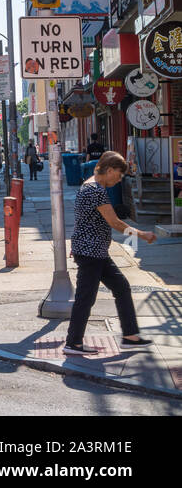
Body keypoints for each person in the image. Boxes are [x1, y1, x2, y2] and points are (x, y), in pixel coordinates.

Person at [63, 151, 156, 356]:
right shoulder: (95, 190)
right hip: (91, 252)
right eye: (119, 174)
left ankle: (130, 337)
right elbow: (114, 222)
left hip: (94, 250)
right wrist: (142, 234)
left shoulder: (89, 184)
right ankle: (73, 343)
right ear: (110, 170)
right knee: (85, 297)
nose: (119, 179)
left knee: (121, 287)